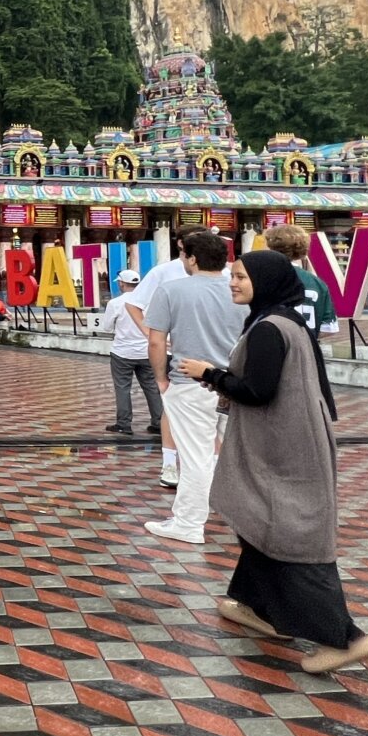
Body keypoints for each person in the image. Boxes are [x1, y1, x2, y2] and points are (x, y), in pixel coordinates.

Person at [177, 250, 368, 675]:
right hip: (292, 441)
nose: (232, 283)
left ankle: (345, 639)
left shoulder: (270, 328)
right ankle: (256, 606)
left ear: (265, 280)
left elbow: (258, 390)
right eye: (233, 276)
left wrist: (209, 374)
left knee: (291, 533)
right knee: (263, 521)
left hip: (283, 449)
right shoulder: (286, 319)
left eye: (240, 277)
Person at [144, 230, 243, 545]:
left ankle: (188, 523)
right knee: (232, 453)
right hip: (234, 382)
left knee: (196, 455)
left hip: (190, 382)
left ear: (192, 257)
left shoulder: (172, 291)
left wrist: (161, 378)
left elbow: (157, 340)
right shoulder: (239, 293)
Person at [127, 225, 205, 486]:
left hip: (214, 353)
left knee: (217, 412)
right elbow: (133, 303)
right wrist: (151, 334)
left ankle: (213, 468)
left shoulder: (224, 272)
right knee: (172, 408)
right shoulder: (165, 272)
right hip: (178, 352)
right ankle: (170, 465)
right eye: (185, 248)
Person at [100, 269, 160, 437]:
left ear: (121, 283)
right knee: (152, 387)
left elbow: (107, 327)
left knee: (122, 388)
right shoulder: (149, 302)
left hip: (122, 352)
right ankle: (158, 422)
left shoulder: (115, 303)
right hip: (146, 351)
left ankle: (124, 424)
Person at [263, 224, 339, 334]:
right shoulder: (317, 283)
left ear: (270, 246)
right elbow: (329, 329)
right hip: (307, 348)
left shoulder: (261, 278)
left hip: (270, 346)